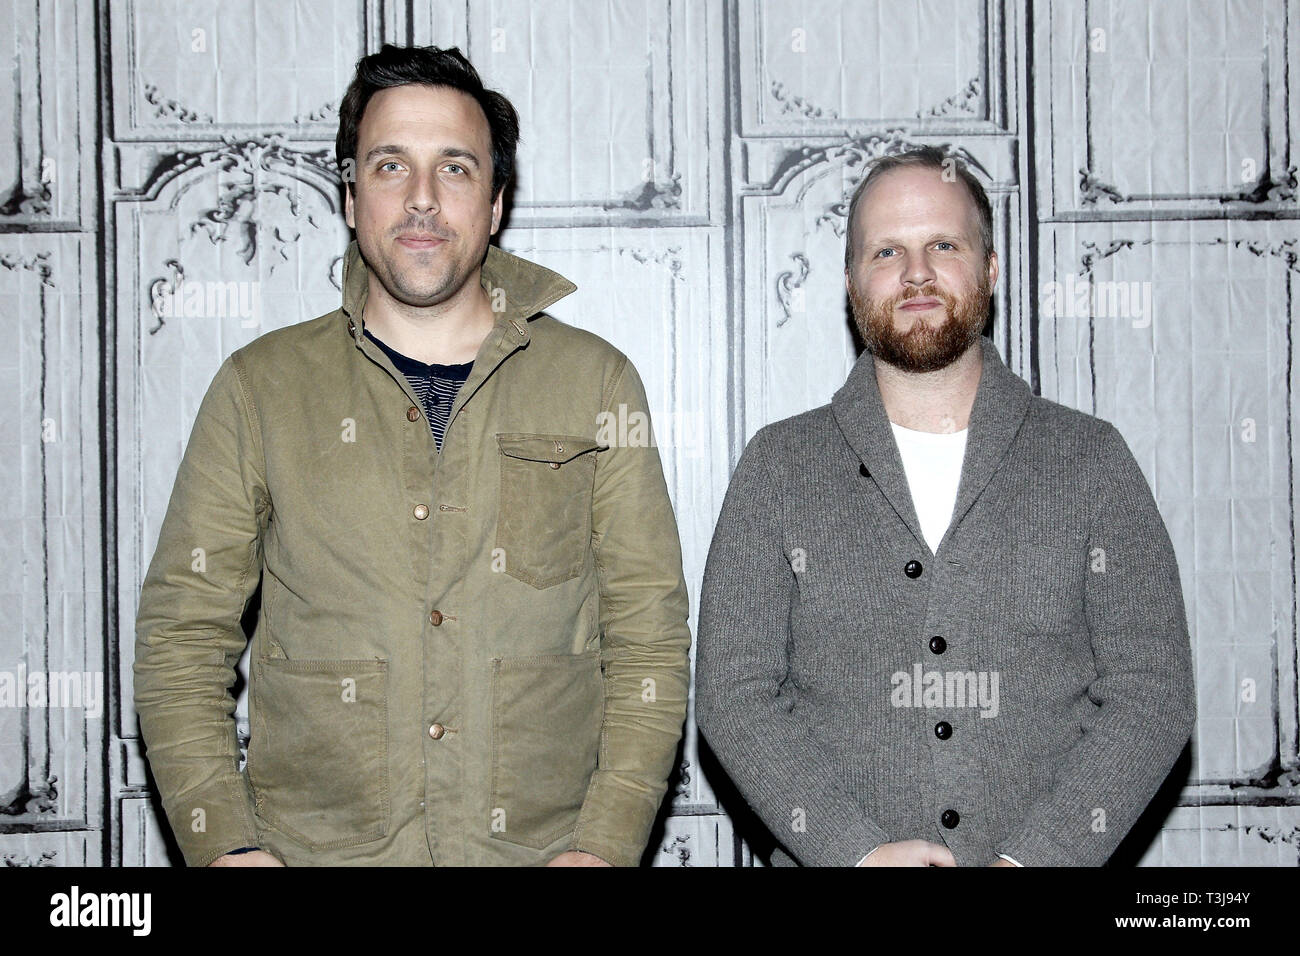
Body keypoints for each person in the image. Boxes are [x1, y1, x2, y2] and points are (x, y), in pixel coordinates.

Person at [133, 44, 691, 867]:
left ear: (496, 202)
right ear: (351, 196)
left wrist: (606, 848)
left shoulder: (596, 382)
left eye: (456, 169)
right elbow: (182, 635)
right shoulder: (259, 389)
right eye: (391, 165)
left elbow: (648, 635)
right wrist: (224, 846)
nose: (423, 199)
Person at [695, 147, 1195, 867]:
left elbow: (1152, 694)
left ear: (990, 269)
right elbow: (733, 693)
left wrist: (1035, 860)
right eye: (887, 251)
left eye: (943, 245)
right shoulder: (778, 467)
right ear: (850, 283)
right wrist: (853, 853)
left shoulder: (1092, 461)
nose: (917, 272)